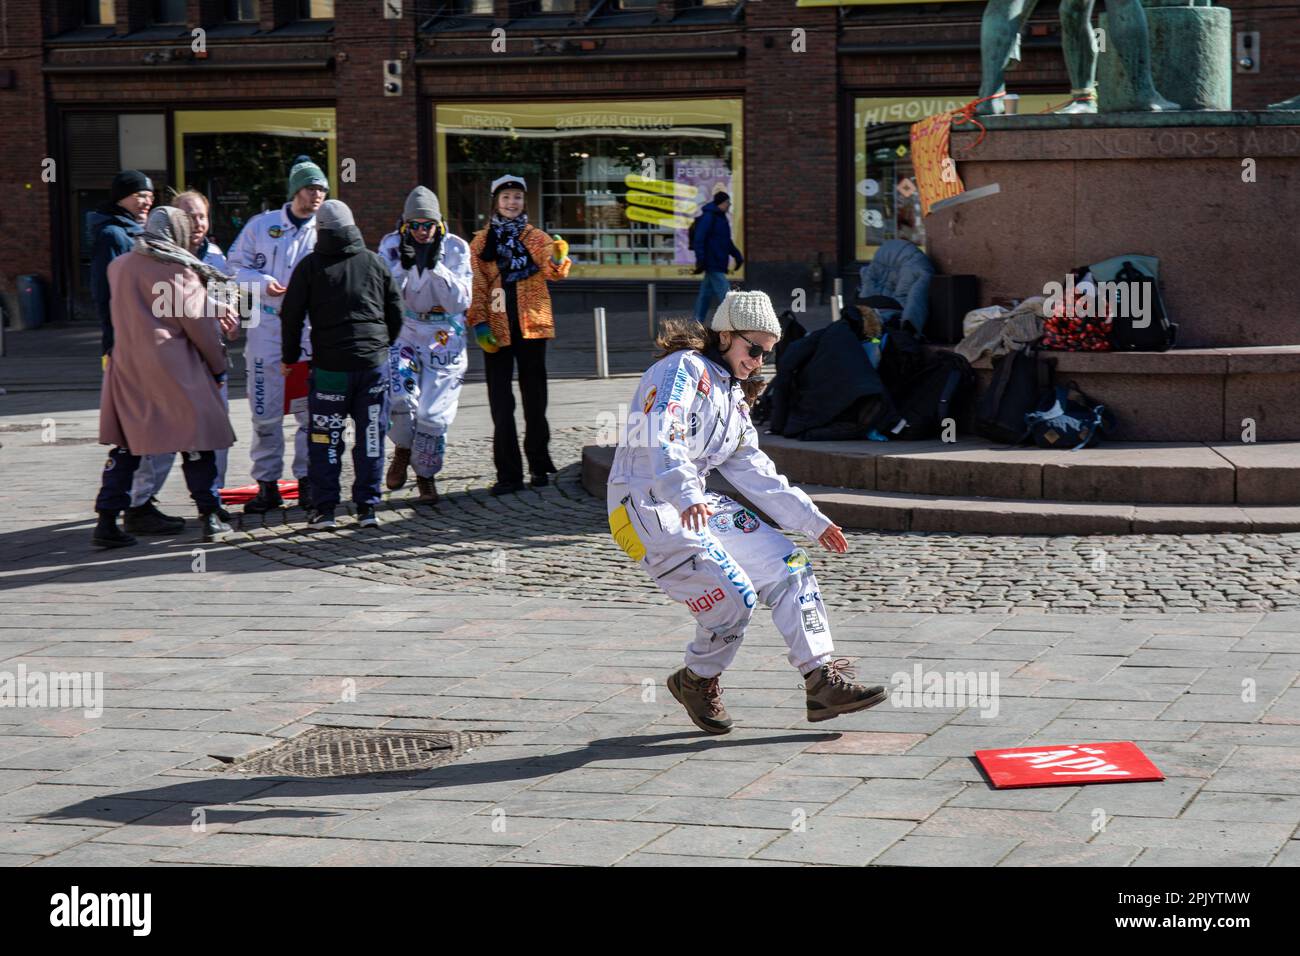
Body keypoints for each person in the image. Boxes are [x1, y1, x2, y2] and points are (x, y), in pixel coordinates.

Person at [606, 290, 887, 734]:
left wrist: (812, 521)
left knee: (790, 565)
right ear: (724, 335)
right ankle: (697, 680)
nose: (757, 361)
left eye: (765, 354)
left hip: (696, 501)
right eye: (752, 349)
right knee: (734, 599)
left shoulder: (733, 399)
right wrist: (683, 493)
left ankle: (821, 681)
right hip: (643, 504)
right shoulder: (683, 368)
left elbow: (756, 471)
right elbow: (665, 430)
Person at [92, 207, 236, 548]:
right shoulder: (177, 267)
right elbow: (196, 323)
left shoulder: (119, 266)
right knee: (196, 441)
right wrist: (217, 366)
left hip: (126, 364)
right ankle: (210, 515)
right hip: (174, 365)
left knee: (128, 444)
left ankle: (107, 519)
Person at [279, 200, 403, 529]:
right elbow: (396, 311)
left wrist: (289, 357)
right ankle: (367, 508)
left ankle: (325, 509)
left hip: (331, 368)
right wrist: (381, 344)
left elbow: (290, 315)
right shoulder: (375, 264)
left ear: (320, 231)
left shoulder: (309, 267)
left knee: (325, 438)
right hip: (372, 367)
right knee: (371, 437)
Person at [128, 189, 239, 522]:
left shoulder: (216, 258)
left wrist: (231, 323)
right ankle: (142, 501)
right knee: (161, 439)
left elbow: (230, 303)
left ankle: (212, 500)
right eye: (188, 216)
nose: (197, 223)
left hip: (207, 360)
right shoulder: (157, 258)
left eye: (202, 216)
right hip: (170, 363)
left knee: (213, 437)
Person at [227, 156, 327, 514]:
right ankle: (267, 485)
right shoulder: (262, 225)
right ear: (295, 189)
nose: (317, 194)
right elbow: (231, 269)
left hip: (308, 332)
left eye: (322, 189)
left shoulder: (325, 228)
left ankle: (306, 483)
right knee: (264, 412)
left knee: (308, 413)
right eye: (311, 187)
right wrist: (263, 283)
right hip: (266, 328)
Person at [467, 174, 571, 496]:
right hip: (497, 327)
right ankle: (508, 474)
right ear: (495, 203)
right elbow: (477, 285)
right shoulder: (482, 242)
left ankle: (539, 465)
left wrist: (557, 256)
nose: (512, 203)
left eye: (517, 197)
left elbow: (555, 273)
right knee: (501, 404)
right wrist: (479, 322)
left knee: (535, 399)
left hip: (531, 325)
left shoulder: (536, 237)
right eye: (506, 197)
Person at [377, 186, 474, 504]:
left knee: (433, 415)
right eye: (415, 225)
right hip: (405, 331)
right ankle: (403, 449)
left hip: (444, 335)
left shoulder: (457, 248)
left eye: (427, 225)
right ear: (405, 225)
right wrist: (401, 269)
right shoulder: (391, 245)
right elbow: (382, 294)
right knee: (399, 398)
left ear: (438, 224)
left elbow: (461, 299)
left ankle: (426, 473)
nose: (421, 232)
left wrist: (436, 267)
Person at [689, 191, 743, 325]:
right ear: (721, 203)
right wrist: (701, 259)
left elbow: (726, 241)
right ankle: (735, 322)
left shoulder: (721, 218)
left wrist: (737, 255)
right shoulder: (709, 217)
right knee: (725, 292)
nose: (729, 204)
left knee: (705, 295)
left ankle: (697, 322)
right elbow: (699, 239)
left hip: (717, 260)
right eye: (727, 202)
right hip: (711, 260)